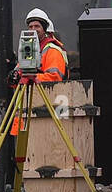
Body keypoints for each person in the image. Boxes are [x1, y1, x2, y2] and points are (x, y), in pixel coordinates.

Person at [10, 8, 70, 136]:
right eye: (30, 26)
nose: (33, 29)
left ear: (45, 29)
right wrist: (14, 77)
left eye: (37, 26)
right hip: (27, 113)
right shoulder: (28, 50)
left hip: (48, 110)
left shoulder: (52, 50)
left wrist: (34, 77)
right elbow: (17, 78)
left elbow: (55, 78)